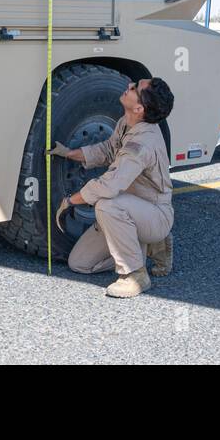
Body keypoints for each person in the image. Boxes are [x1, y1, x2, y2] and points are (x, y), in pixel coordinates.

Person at [52, 77, 174, 297]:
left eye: (135, 88)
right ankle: (144, 247)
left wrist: (71, 200)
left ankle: (136, 274)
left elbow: (109, 186)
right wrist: (68, 153)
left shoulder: (142, 143)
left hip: (154, 213)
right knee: (79, 263)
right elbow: (108, 150)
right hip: (131, 210)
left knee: (107, 205)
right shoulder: (127, 123)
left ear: (139, 108)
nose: (129, 86)